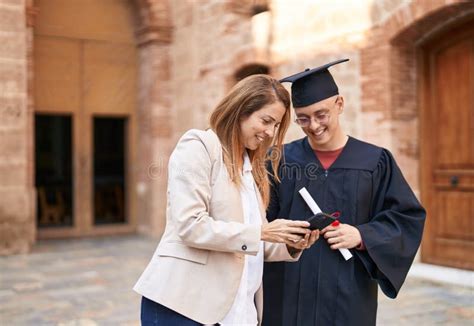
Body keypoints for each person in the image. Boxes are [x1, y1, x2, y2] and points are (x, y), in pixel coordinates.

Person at [134, 74, 320, 326]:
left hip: (238, 311)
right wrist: (262, 232)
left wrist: (291, 242)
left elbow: (251, 244)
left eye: (275, 125)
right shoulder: (198, 146)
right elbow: (191, 225)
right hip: (184, 308)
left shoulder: (251, 167)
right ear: (241, 110)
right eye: (266, 121)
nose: (270, 132)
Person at [262, 59, 426, 326]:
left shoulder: (374, 161)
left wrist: (362, 235)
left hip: (348, 291)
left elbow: (406, 217)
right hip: (289, 291)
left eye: (321, 114)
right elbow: (260, 220)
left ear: (339, 104)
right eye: (303, 118)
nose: (313, 125)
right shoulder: (280, 160)